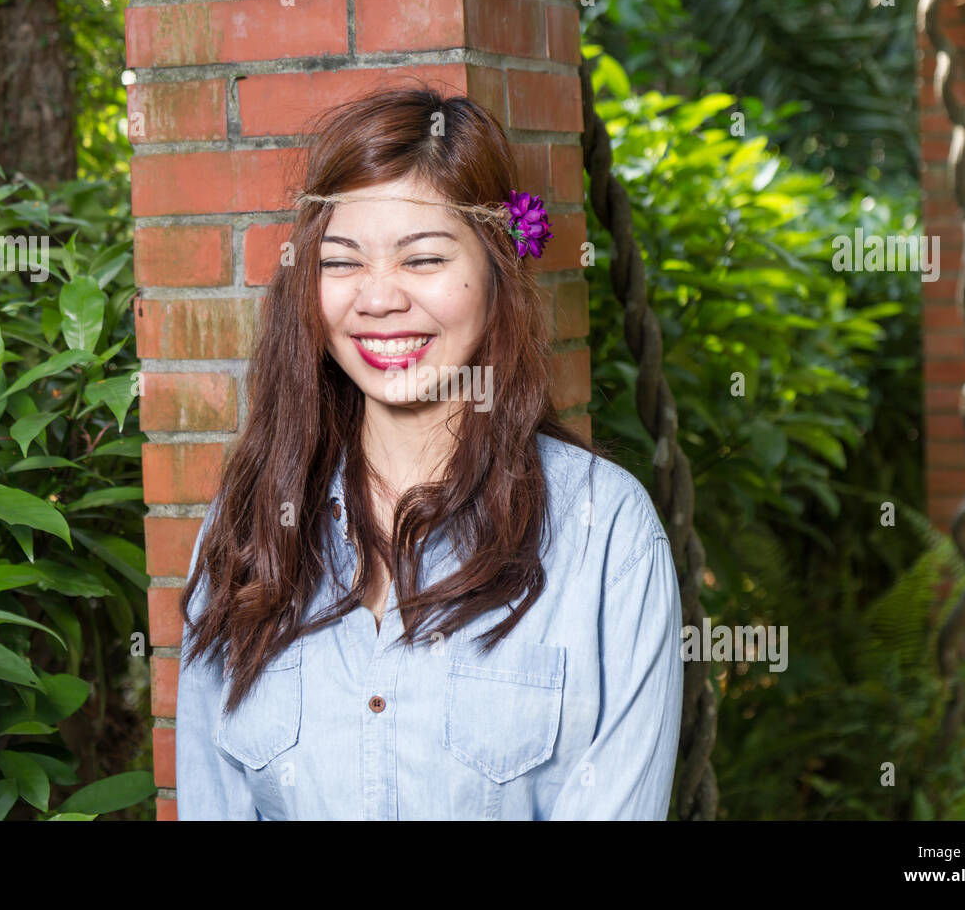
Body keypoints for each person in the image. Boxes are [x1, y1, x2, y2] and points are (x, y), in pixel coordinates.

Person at [175, 85, 683, 820]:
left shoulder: (605, 533)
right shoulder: (249, 528)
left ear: (497, 267)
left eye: (423, 259)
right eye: (342, 262)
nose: (378, 299)